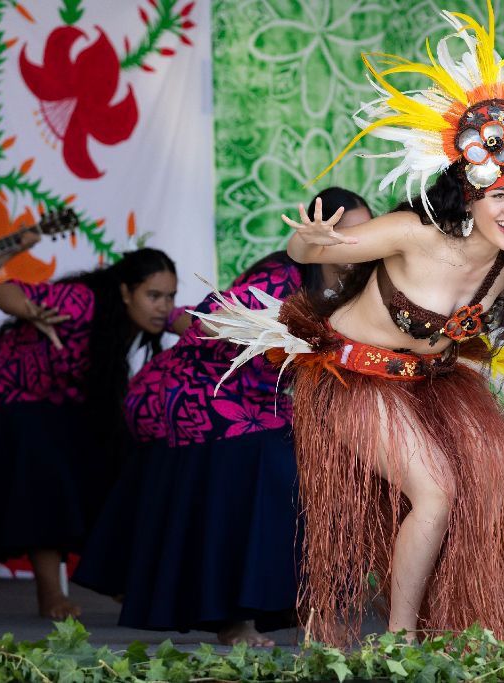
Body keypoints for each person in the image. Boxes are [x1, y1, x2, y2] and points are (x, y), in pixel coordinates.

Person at [198, 1, 504, 645]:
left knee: (489, 486)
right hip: (351, 378)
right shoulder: (414, 233)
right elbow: (312, 249)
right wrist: (308, 238)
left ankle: (458, 623)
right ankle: (401, 639)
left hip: (430, 381)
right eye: (501, 194)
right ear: (469, 194)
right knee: (434, 492)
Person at [73, 188, 370, 646]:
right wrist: (253, 326)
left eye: (365, 232)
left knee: (320, 454)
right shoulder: (281, 275)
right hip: (197, 388)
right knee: (271, 458)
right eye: (344, 232)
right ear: (319, 232)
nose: (357, 243)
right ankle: (235, 617)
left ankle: (303, 602)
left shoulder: (354, 290)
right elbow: (206, 319)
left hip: (260, 399)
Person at [0, 249, 178, 618]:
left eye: (170, 297)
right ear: (125, 292)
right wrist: (31, 311)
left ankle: (122, 581)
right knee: (48, 470)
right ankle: (51, 595)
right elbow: (2, 291)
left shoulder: (131, 323)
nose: (163, 307)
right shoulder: (80, 301)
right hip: (10, 401)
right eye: (153, 295)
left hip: (62, 406)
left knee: (123, 462)